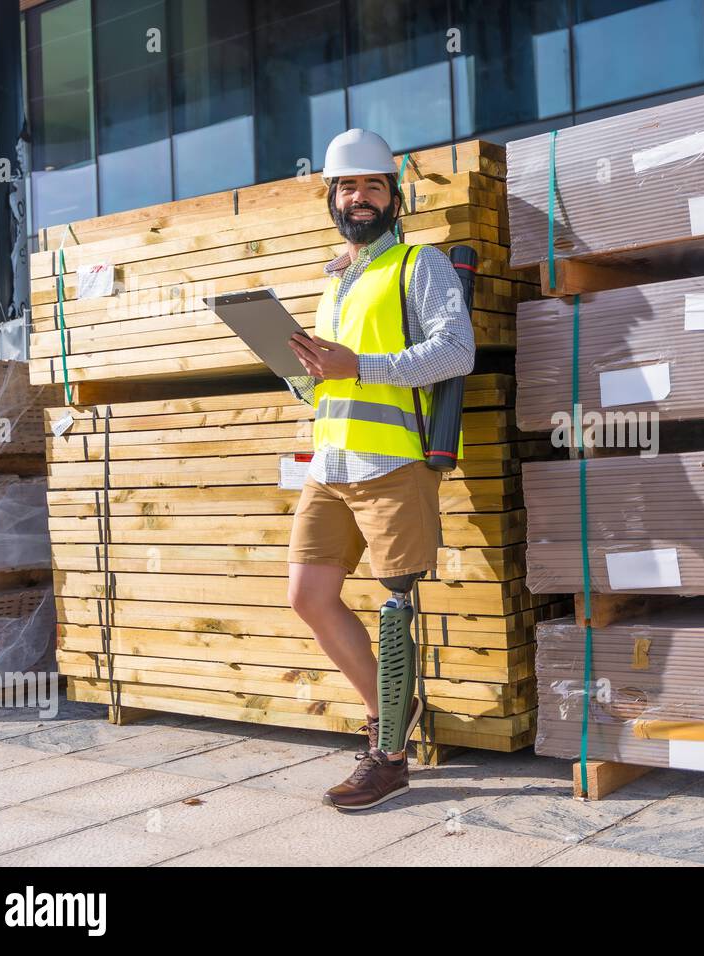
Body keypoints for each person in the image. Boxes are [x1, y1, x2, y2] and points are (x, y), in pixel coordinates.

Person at [284, 128, 474, 811]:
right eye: (346, 186)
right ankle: (394, 709)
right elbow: (331, 377)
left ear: (393, 197)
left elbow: (456, 351)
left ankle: (387, 754)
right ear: (331, 198)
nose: (358, 197)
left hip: (392, 464)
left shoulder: (419, 266)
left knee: (398, 610)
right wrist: (302, 375)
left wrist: (355, 366)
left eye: (371, 186)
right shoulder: (335, 279)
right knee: (307, 596)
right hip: (329, 464)